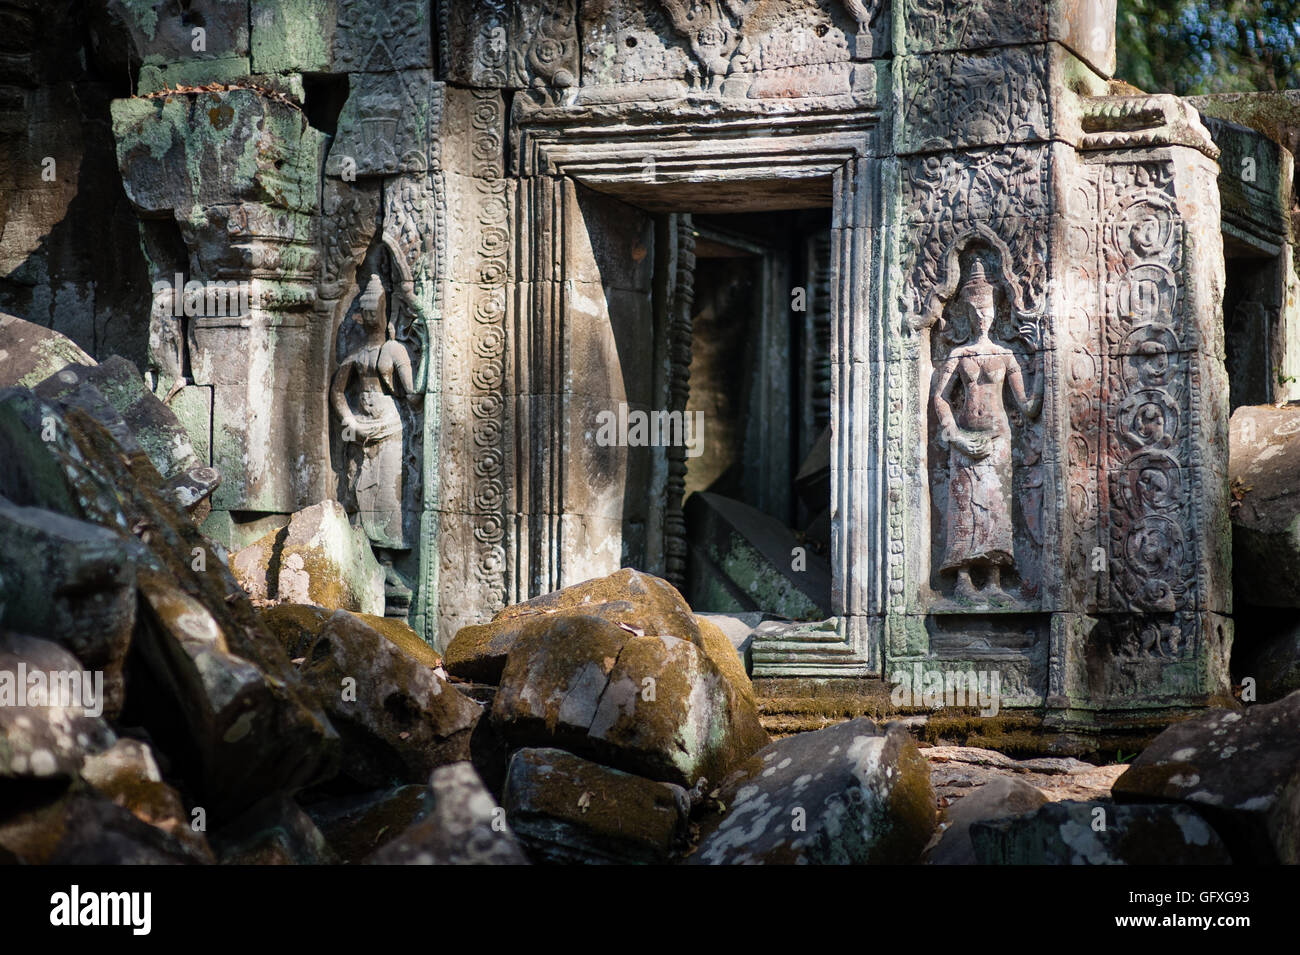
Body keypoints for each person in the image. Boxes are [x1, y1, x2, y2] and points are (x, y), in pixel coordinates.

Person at [931, 259, 1042, 603]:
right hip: (965, 436)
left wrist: (1043, 366)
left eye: (988, 309)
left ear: (995, 311)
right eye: (976, 310)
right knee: (964, 504)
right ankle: (963, 579)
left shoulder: (1006, 355)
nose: (983, 316)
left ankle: (994, 580)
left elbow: (1026, 406)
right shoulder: (959, 354)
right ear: (966, 312)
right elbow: (940, 397)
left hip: (997, 438)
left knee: (994, 506)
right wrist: (953, 432)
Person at [331, 274, 418, 551]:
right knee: (359, 485)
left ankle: (389, 557)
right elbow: (336, 391)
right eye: (365, 311)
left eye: (374, 310)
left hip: (390, 426)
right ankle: (363, 551)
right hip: (361, 427)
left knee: (388, 494)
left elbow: (413, 394)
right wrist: (348, 420)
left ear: (385, 313)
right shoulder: (356, 355)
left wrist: (425, 359)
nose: (370, 316)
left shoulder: (394, 350)